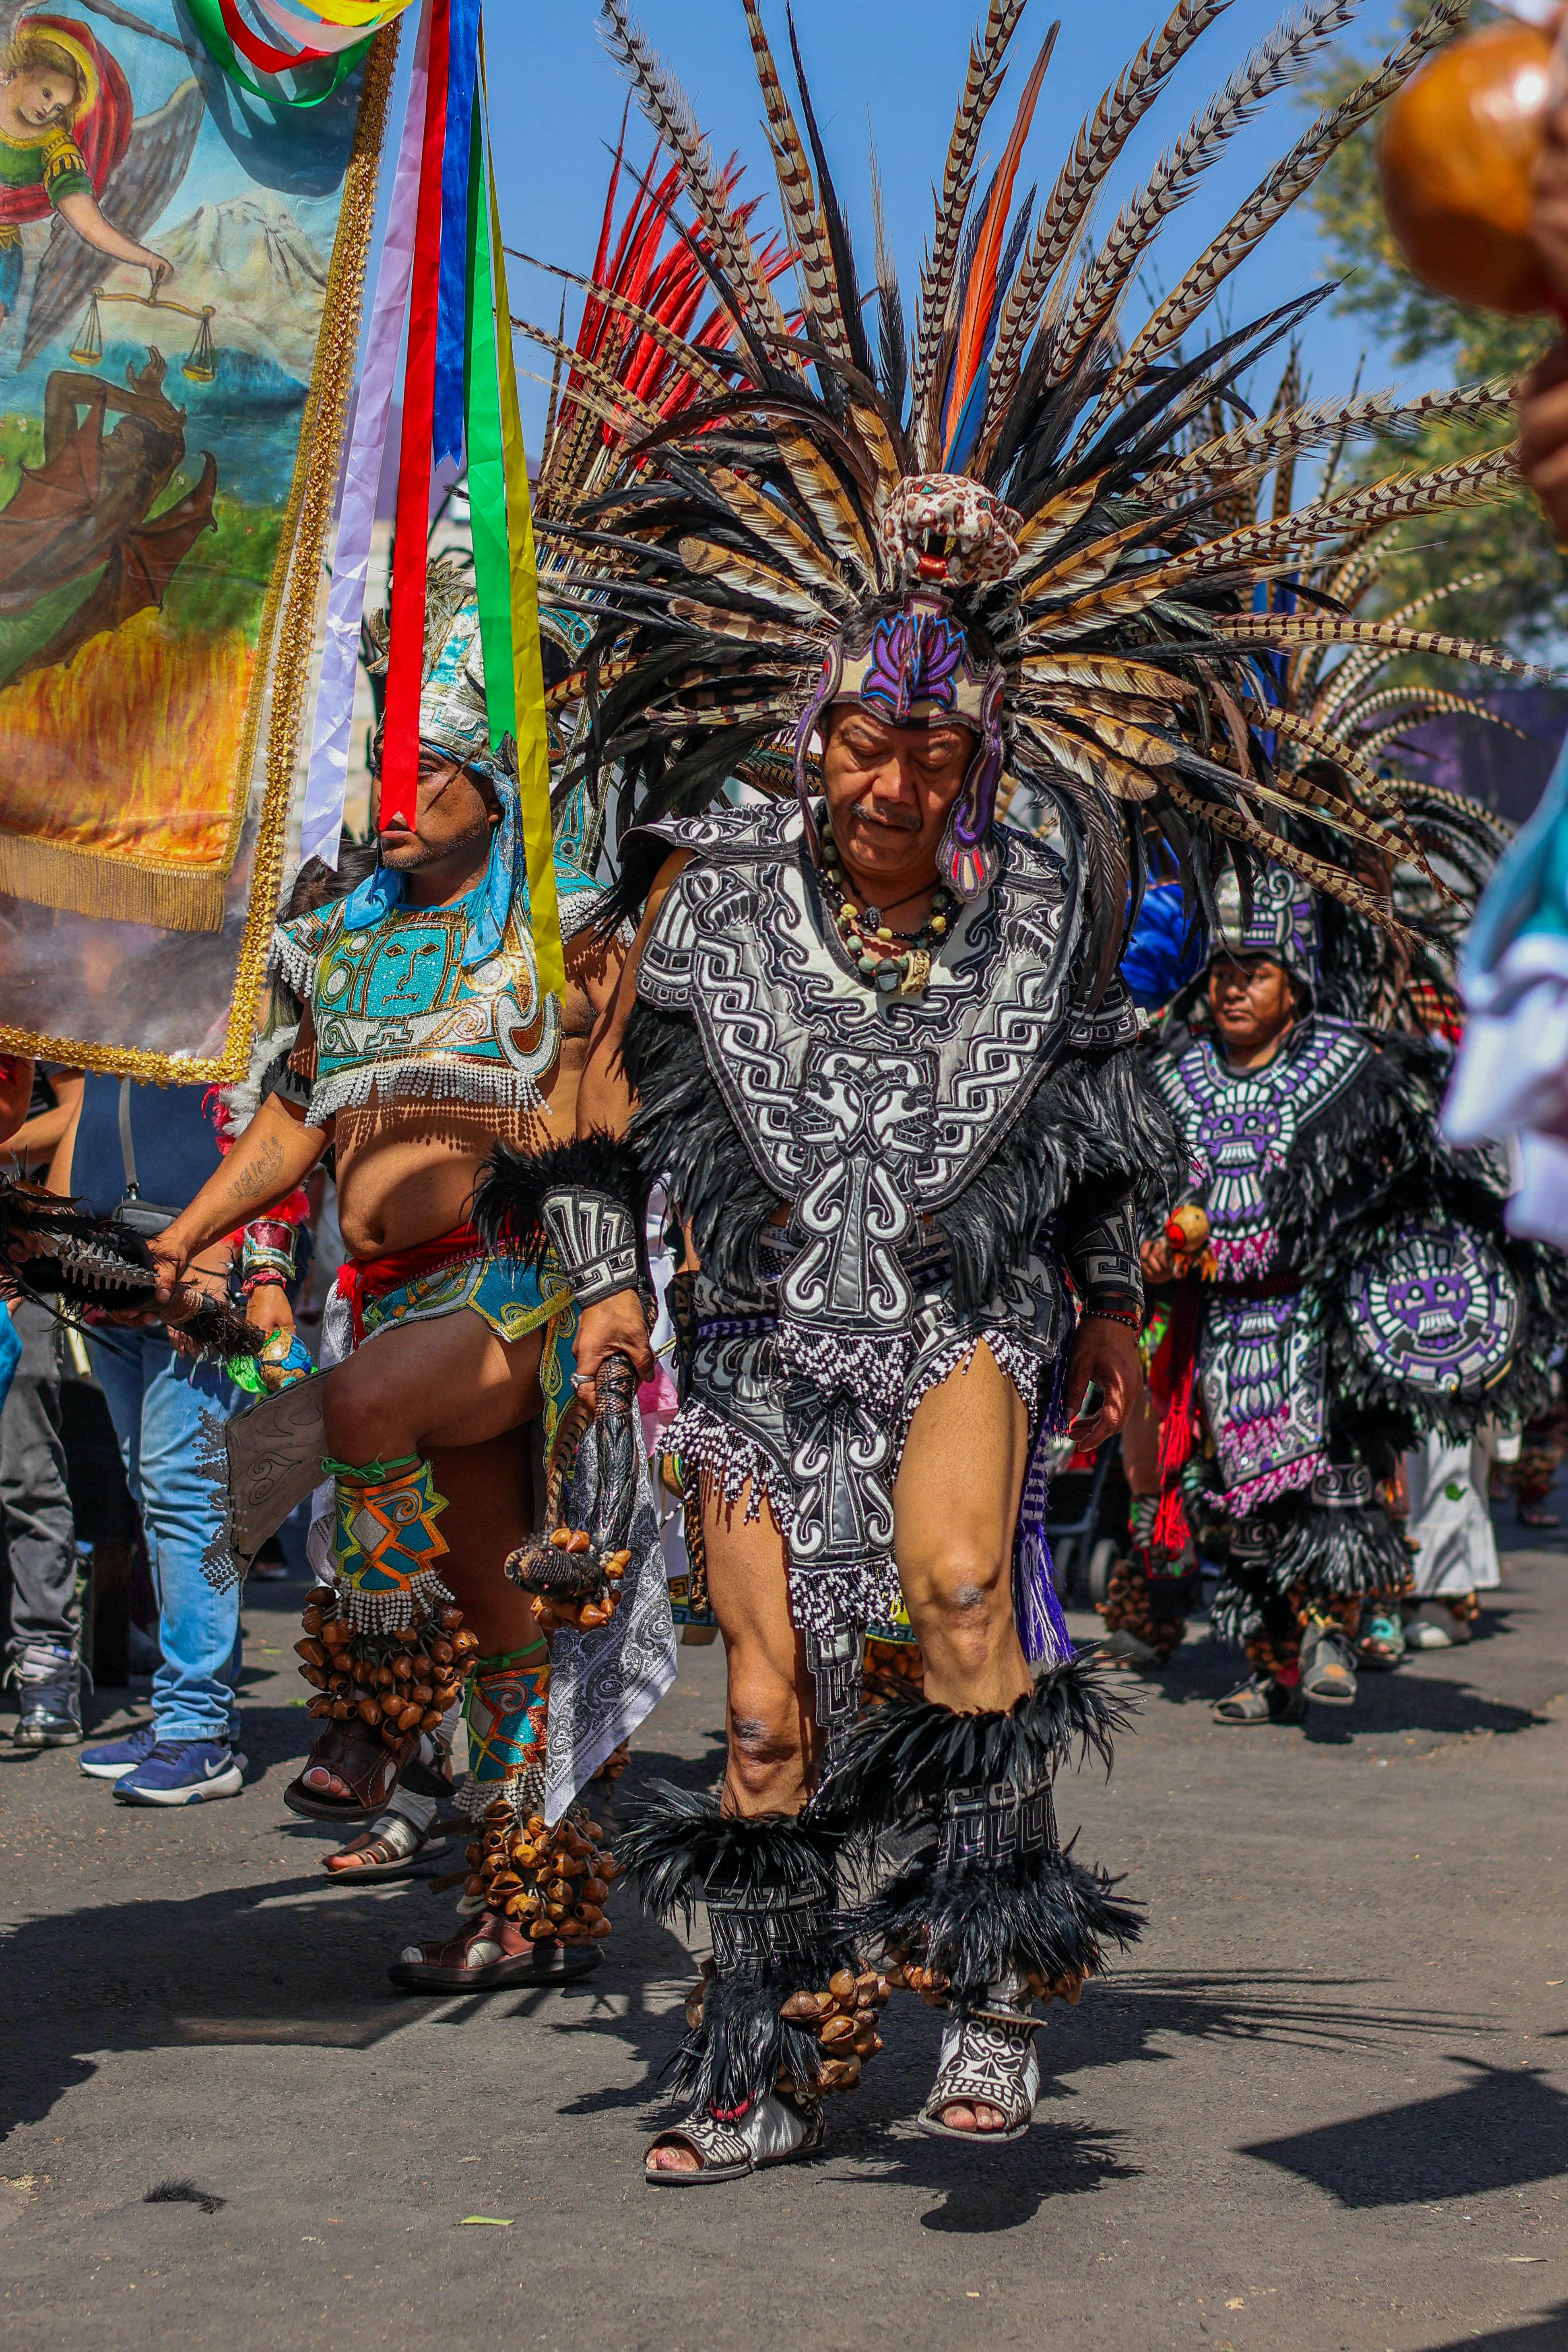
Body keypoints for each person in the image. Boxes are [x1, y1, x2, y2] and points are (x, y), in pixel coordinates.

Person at [150, 568, 629, 1984]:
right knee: (500, 1626)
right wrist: (184, 1235)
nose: (398, 787)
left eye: (430, 764)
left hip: (510, 1281)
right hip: (382, 1290)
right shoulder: (340, 928)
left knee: (345, 1414)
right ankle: (526, 1901)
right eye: (385, 759)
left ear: (496, 780)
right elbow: (295, 1120)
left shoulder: (565, 922)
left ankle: (364, 1705)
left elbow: (607, 1108)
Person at [1139, 871, 1567, 1723]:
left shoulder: (1349, 1066)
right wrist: (1154, 1248)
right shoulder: (1174, 1074)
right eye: (1221, 969)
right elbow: (1141, 1187)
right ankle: (1268, 1663)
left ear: (1293, 984)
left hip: (1317, 1320)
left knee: (1333, 1491)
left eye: (1253, 971)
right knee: (1240, 1506)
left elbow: (1420, 1174)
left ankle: (1327, 1637)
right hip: (1217, 1327)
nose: (1230, 987)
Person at [0, 1060, 87, 1748]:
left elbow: (79, 1110)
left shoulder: (36, 984)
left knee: (25, 1465)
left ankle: (46, 1662)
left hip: (15, 1256)